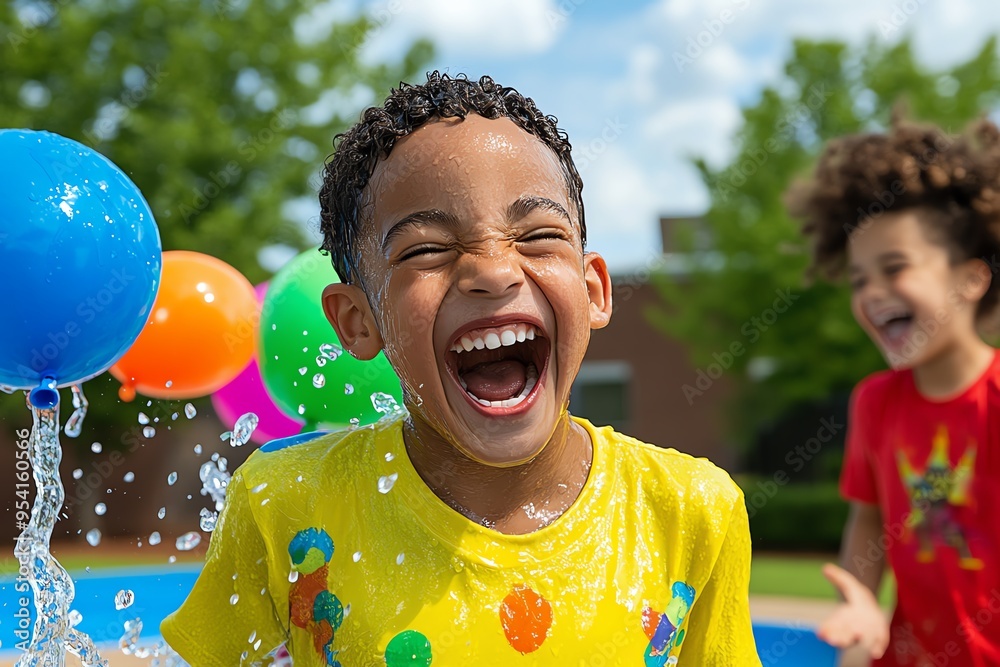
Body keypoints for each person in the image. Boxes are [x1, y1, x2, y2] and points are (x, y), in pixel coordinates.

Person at [161, 72, 761, 666]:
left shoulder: (690, 511)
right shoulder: (283, 502)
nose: (494, 270)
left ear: (593, 289)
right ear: (357, 321)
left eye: (539, 235)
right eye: (426, 248)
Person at [790, 115, 1000, 666]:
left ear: (972, 280)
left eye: (895, 267)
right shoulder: (875, 402)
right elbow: (867, 517)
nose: (873, 293)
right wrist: (858, 600)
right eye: (860, 279)